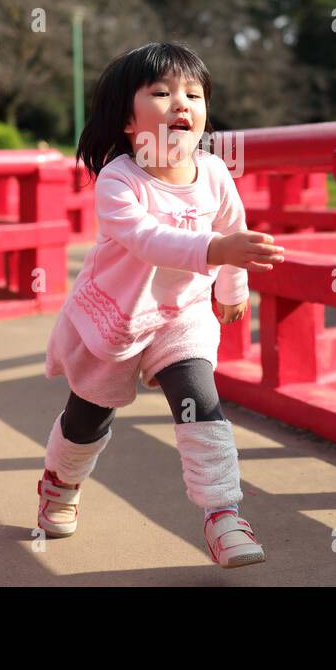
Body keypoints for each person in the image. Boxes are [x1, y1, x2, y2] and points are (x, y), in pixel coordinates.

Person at [36, 42, 285, 568]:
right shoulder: (119, 179)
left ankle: (223, 514)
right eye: (162, 93)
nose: (182, 104)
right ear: (127, 118)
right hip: (117, 317)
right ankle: (61, 482)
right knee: (89, 415)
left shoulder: (215, 173)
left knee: (200, 399)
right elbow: (147, 238)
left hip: (182, 314)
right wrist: (215, 252)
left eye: (194, 94)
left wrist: (231, 289)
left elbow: (233, 233)